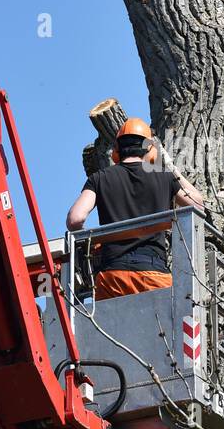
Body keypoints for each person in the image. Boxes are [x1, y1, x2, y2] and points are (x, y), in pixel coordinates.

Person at [66, 118, 204, 300]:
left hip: (113, 276)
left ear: (116, 150)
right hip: (153, 274)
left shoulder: (99, 178)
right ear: (150, 148)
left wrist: (90, 244)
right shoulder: (164, 176)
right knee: (164, 326)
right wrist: (169, 166)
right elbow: (198, 205)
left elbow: (75, 219)